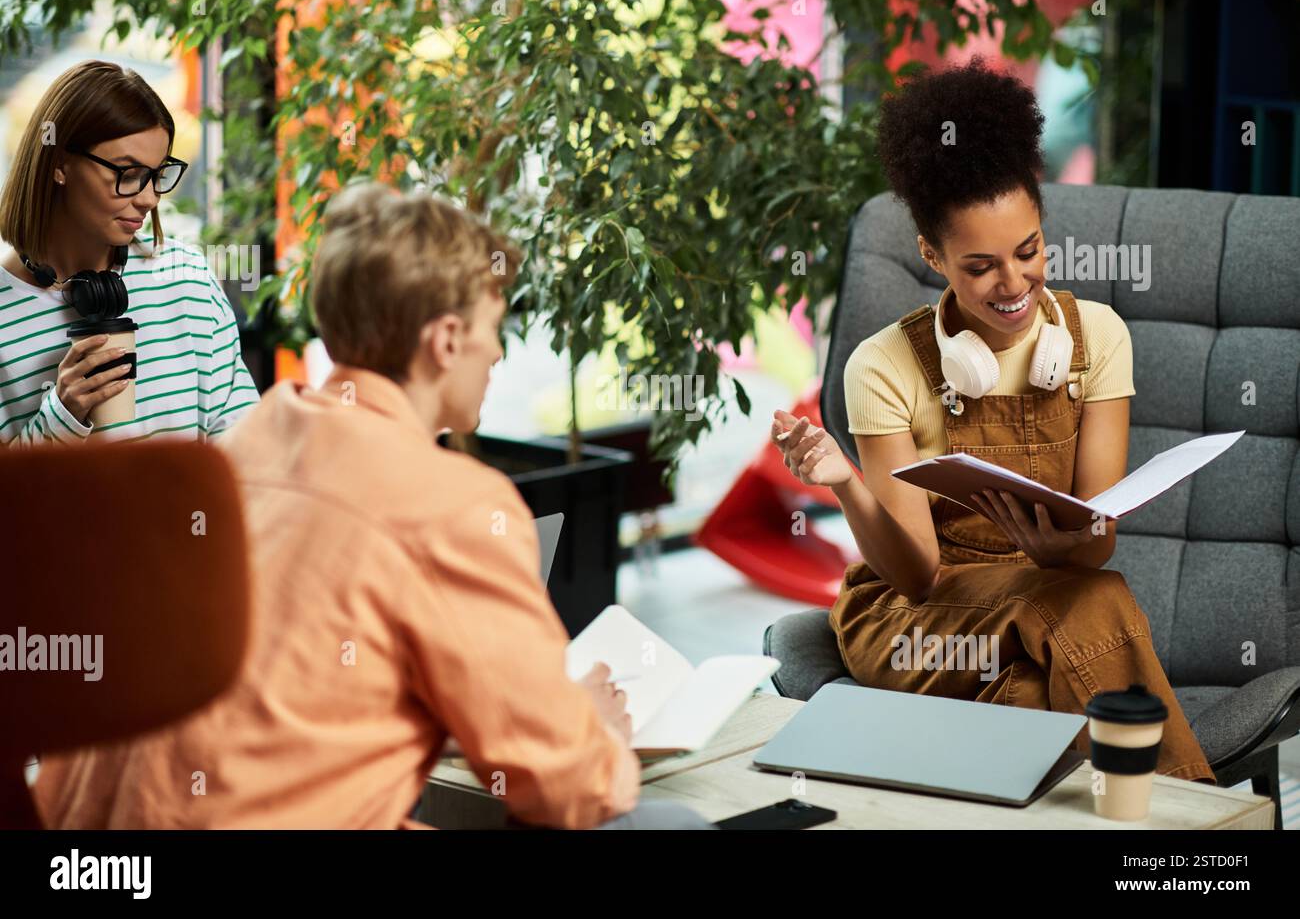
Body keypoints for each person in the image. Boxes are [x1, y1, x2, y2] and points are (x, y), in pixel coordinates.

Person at [33, 182, 712, 829]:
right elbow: (567, 788)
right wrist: (594, 734)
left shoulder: (246, 443)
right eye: (493, 327)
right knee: (666, 821)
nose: (499, 352)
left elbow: (282, 688)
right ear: (447, 340)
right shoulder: (452, 504)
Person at [771, 57, 1214, 783]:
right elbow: (916, 575)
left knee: (1035, 696)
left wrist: (1059, 546)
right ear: (932, 255)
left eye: (1028, 251)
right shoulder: (882, 366)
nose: (1013, 284)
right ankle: (1192, 825)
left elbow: (1096, 543)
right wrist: (844, 483)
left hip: (1040, 608)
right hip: (915, 625)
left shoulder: (1098, 339)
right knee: (1088, 603)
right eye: (980, 267)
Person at [0, 60, 257, 445]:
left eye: (157, 175)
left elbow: (245, 450)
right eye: (128, 174)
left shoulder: (188, 279)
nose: (150, 198)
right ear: (59, 164)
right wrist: (61, 417)